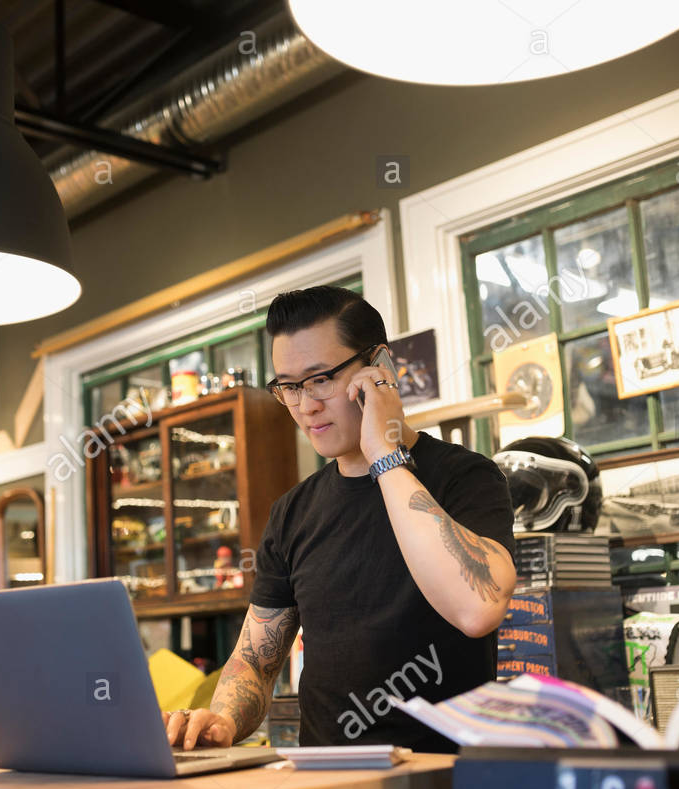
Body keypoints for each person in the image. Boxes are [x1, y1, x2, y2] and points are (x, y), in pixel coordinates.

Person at [164, 286, 517, 753]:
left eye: (321, 379)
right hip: (324, 783)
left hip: (442, 785)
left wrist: (384, 454)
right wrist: (223, 719)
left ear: (381, 369)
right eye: (288, 386)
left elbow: (479, 608)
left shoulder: (465, 477)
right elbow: (254, 661)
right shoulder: (292, 513)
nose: (305, 405)